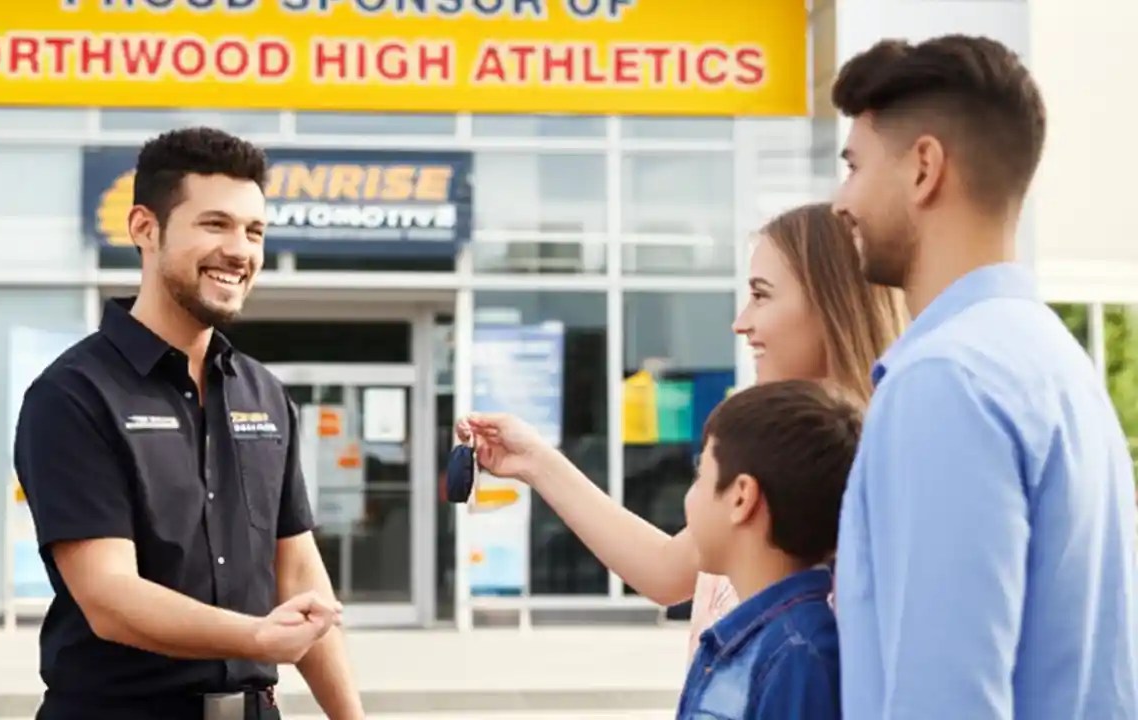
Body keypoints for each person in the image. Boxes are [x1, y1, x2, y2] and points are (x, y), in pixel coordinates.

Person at [830, 35, 1138, 719]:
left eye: (853, 165)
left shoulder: (945, 380)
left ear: (924, 168)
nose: (840, 200)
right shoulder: (1055, 365)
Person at [13, 127, 364, 720]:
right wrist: (255, 638)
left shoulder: (265, 394)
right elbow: (109, 598)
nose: (240, 250)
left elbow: (300, 575)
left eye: (254, 232)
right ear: (145, 229)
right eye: (215, 224)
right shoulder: (73, 395)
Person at [455, 202, 904, 660]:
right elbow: (668, 571)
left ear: (831, 305)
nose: (740, 322)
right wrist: (535, 461)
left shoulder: (872, 469)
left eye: (762, 295)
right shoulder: (785, 449)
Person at [674, 380, 860, 719]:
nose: (689, 497)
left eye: (700, 476)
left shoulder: (799, 655)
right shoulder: (746, 641)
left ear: (741, 497)